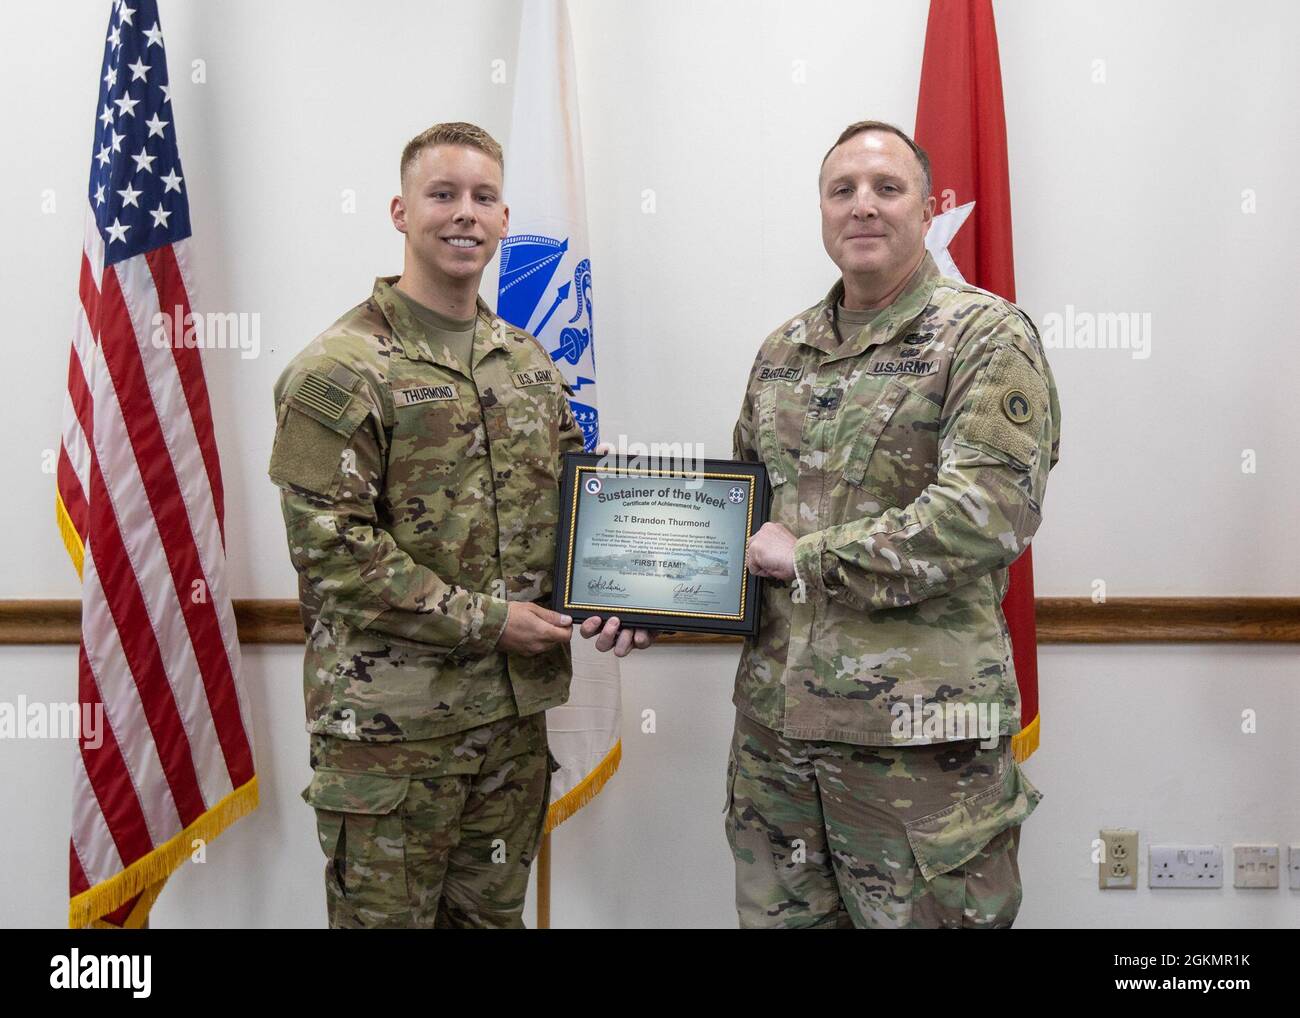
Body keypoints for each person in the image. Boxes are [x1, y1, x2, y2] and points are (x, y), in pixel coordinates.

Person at [268, 121, 646, 928]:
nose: (464, 214)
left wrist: (636, 589)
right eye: (443, 195)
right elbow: (331, 550)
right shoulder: (337, 371)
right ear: (401, 212)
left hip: (509, 733)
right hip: (391, 739)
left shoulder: (528, 364)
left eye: (483, 197)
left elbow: (580, 515)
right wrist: (489, 622)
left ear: (506, 218)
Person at [728, 120, 1061, 928]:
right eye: (843, 190)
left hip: (919, 753)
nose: (863, 207)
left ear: (927, 207)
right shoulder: (784, 352)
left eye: (887, 187)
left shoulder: (984, 335)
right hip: (777, 744)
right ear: (821, 211)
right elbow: (740, 520)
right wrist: (658, 602)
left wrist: (807, 556)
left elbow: (987, 514)